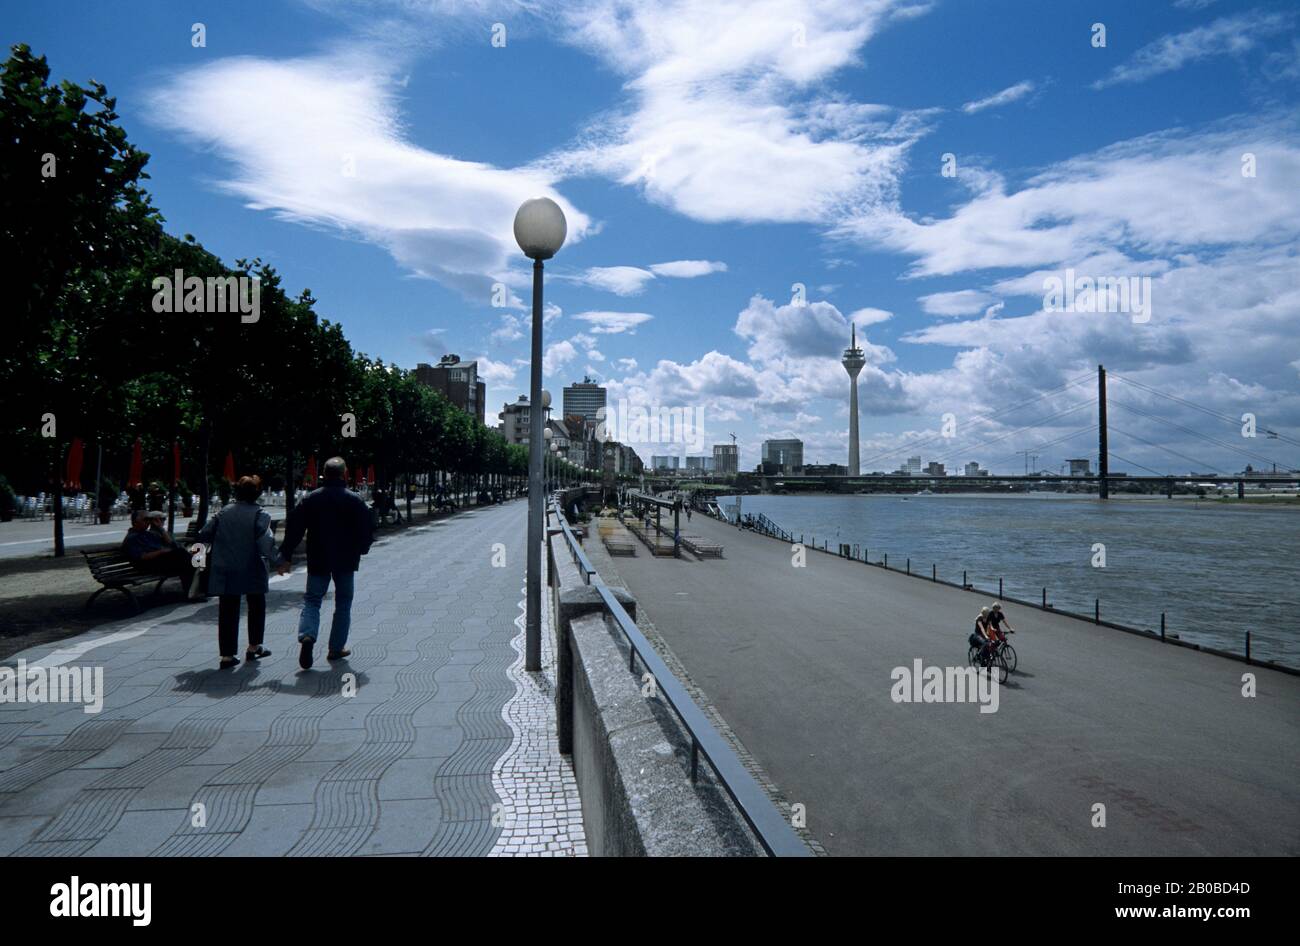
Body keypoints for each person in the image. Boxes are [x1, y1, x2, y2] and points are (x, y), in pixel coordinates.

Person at [276, 457, 373, 669]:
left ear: (324, 475)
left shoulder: (311, 499)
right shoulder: (355, 500)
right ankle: (336, 648)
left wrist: (286, 555)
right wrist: (362, 549)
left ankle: (308, 635)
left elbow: (294, 528)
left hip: (318, 557)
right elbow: (367, 528)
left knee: (312, 600)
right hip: (346, 560)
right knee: (343, 603)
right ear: (344, 473)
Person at [198, 475, 279, 669]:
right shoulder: (261, 515)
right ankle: (254, 646)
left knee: (227, 610)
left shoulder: (223, 513)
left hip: (225, 568)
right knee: (256, 606)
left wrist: (197, 563)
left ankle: (227, 655)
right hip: (252, 567)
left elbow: (203, 535)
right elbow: (265, 543)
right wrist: (280, 561)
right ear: (258, 494)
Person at [124, 509, 202, 599]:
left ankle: (194, 592)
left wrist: (161, 528)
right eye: (146, 519)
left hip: (159, 563)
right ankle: (193, 592)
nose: (148, 522)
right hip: (147, 566)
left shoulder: (148, 534)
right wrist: (162, 552)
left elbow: (171, 544)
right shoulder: (132, 538)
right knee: (185, 558)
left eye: (150, 519)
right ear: (135, 522)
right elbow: (142, 557)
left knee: (186, 559)